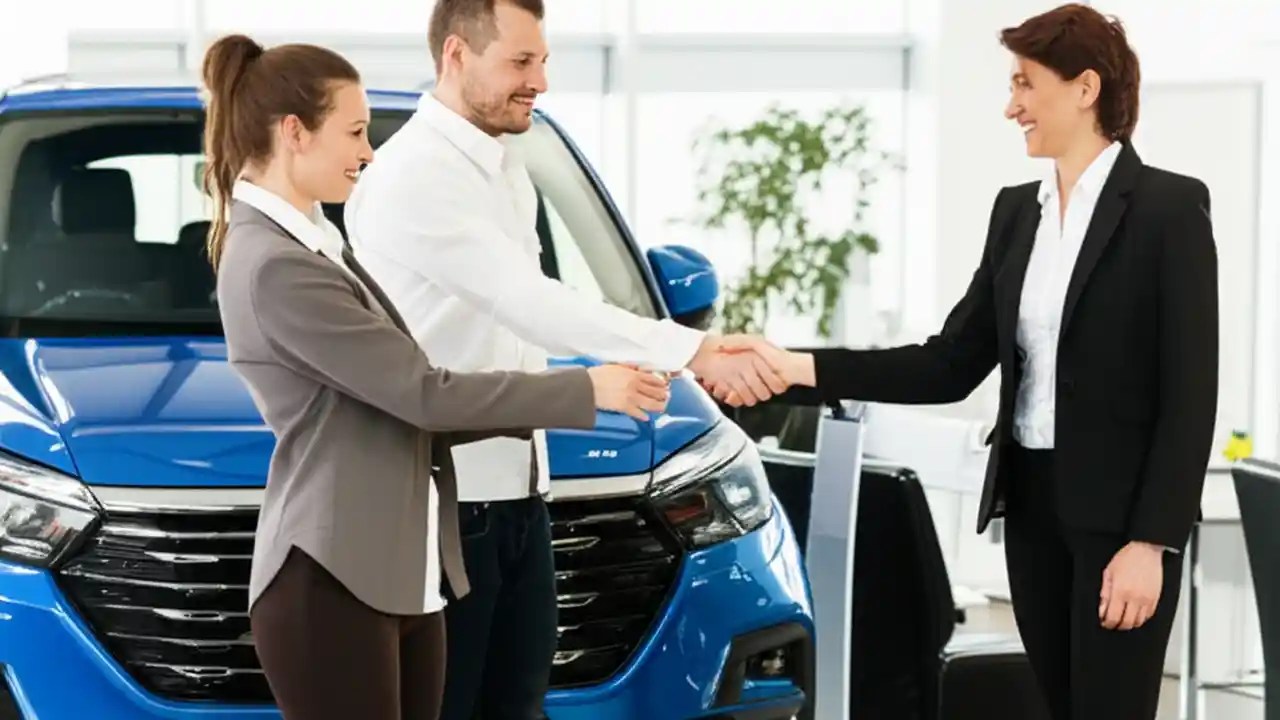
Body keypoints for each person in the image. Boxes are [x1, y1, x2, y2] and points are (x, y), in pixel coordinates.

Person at [711, 5, 1219, 720]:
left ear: (1085, 88)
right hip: (1033, 510)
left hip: (1121, 524)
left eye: (1025, 84)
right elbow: (948, 364)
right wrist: (795, 366)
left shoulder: (1169, 208)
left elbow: (1191, 394)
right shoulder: (1017, 213)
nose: (1012, 106)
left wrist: (1152, 542)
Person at [202, 33, 671, 720]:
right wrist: (586, 389)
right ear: (294, 132)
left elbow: (407, 401)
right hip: (333, 575)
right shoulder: (276, 264)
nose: (369, 152)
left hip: (400, 570)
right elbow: (421, 393)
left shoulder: (316, 244)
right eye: (355, 132)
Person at [341, 2, 784, 718]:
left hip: (521, 497)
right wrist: (693, 348)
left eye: (543, 61)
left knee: (518, 705)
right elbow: (529, 301)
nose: (540, 81)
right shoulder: (413, 176)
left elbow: (533, 309)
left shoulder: (503, 165)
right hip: (446, 504)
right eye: (521, 62)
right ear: (456, 55)